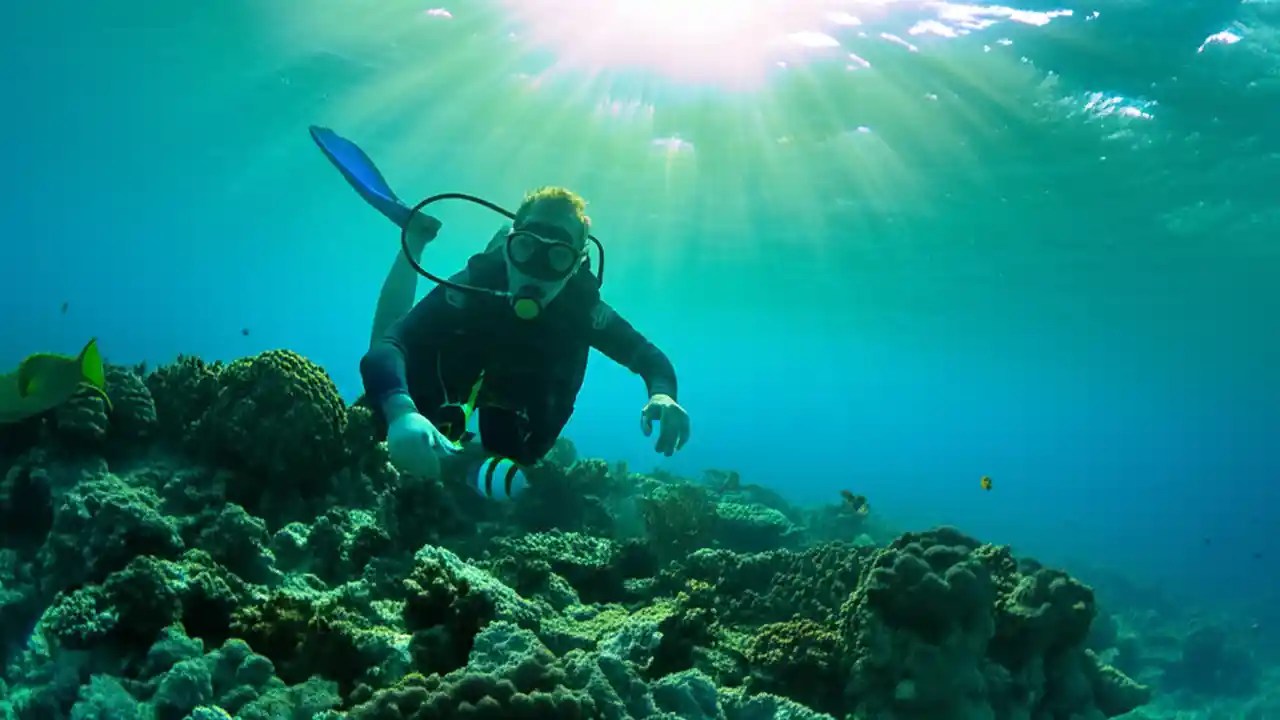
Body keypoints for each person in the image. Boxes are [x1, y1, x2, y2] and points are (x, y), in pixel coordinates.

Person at [360, 186, 691, 484]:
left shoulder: (581, 308)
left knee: (515, 463)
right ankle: (415, 237)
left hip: (522, 393)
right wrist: (401, 411)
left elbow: (649, 358)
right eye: (526, 248)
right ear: (508, 248)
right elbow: (393, 342)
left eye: (558, 256)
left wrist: (663, 394)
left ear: (576, 264)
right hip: (464, 361)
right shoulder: (480, 282)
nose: (537, 271)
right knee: (383, 410)